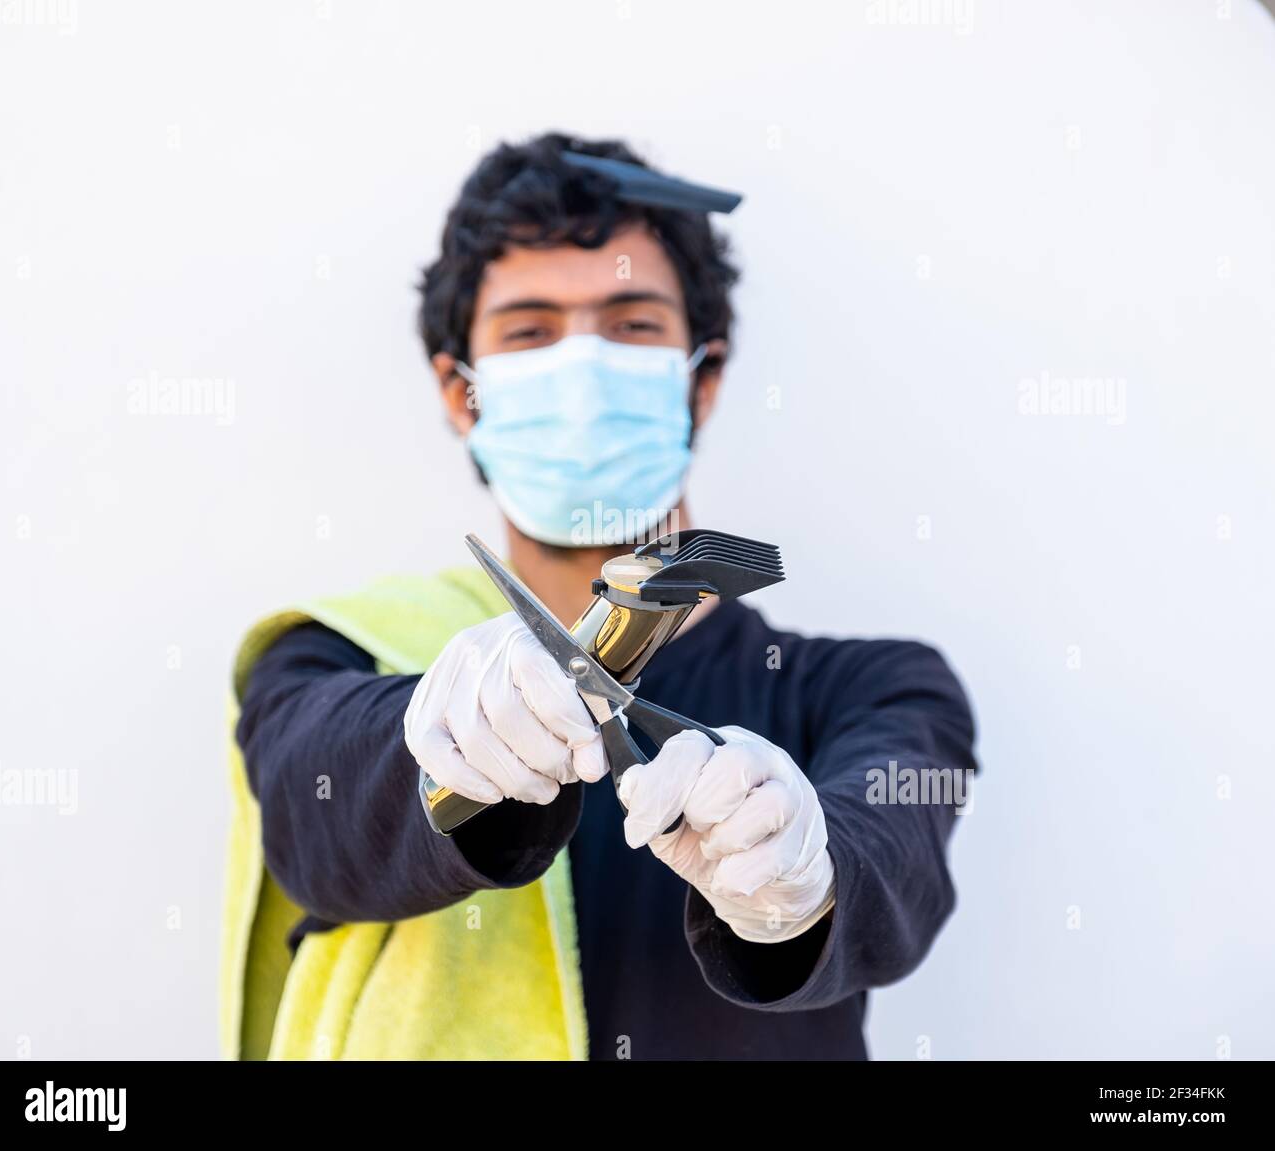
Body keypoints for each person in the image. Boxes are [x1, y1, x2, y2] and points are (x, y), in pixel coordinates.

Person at [222, 131, 978, 1061]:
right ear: (462, 394)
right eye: (531, 330)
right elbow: (313, 815)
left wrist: (802, 877)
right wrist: (441, 738)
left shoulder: (872, 686)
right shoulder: (340, 655)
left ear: (702, 380)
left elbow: (892, 859)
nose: (582, 372)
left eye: (630, 324)